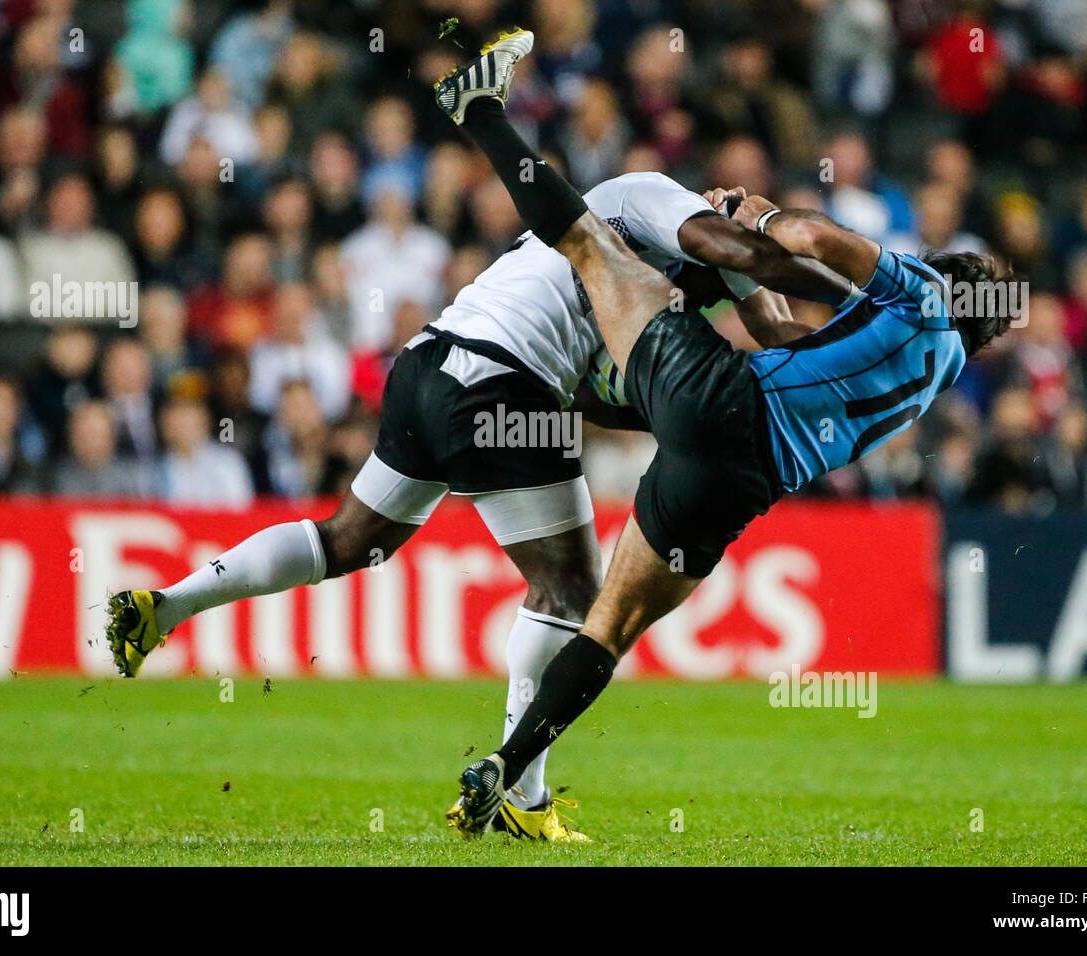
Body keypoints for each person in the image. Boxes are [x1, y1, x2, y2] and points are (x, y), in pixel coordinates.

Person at [104, 35, 853, 842]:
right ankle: (523, 798)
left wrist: (806, 333)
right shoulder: (653, 194)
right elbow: (742, 255)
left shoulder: (656, 316)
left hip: (428, 367)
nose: (741, 197)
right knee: (569, 592)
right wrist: (867, 281)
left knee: (348, 538)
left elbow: (777, 347)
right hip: (498, 379)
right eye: (738, 199)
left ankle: (167, 606)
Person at [433, 30, 1016, 836]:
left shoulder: (923, 293)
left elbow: (809, 241)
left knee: (595, 250)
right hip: (745, 484)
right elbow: (786, 342)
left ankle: (481, 114)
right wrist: (746, 274)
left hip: (721, 402)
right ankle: (507, 770)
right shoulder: (941, 374)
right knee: (609, 626)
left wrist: (759, 218)